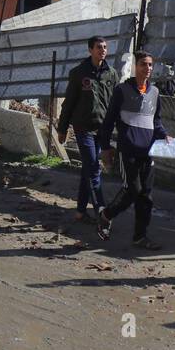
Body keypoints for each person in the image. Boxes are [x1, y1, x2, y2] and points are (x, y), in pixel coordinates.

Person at [94, 51, 170, 251]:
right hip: (128, 150)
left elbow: (156, 121)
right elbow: (109, 121)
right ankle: (106, 215)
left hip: (148, 151)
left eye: (151, 65)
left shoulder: (154, 92)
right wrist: (106, 147)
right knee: (132, 190)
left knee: (146, 196)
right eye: (144, 64)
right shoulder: (122, 90)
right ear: (136, 66)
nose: (148, 68)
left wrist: (165, 135)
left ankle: (140, 236)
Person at [56, 35, 118, 224]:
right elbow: (68, 103)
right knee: (93, 168)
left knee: (87, 170)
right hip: (84, 128)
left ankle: (80, 212)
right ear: (90, 50)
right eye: (99, 47)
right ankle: (101, 209)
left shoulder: (111, 74)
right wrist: (62, 128)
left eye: (105, 47)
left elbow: (115, 103)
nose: (103, 50)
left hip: (103, 129)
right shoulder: (79, 73)